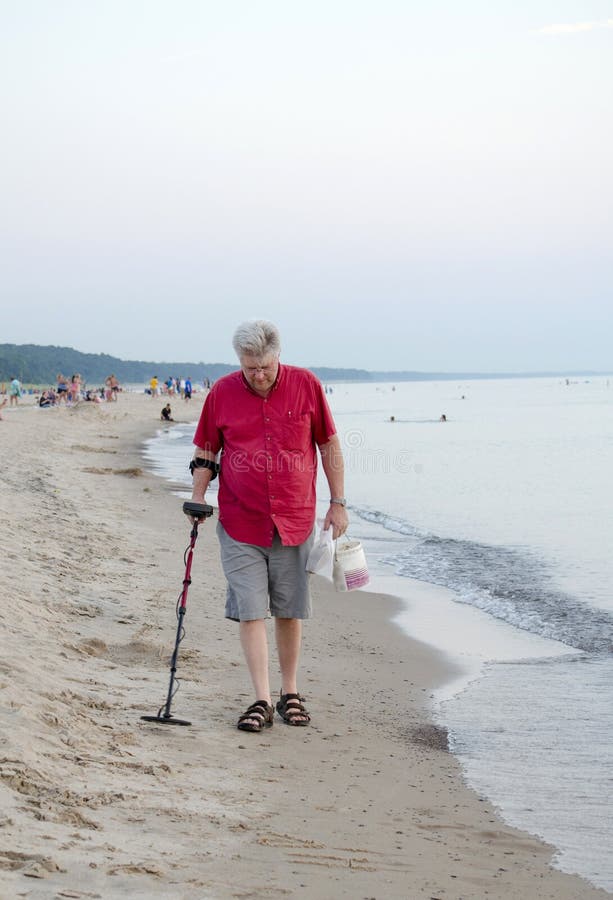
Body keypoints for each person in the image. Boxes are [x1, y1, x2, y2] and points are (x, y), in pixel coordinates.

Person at [190, 320, 348, 733]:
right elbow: (207, 448)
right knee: (250, 610)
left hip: (294, 519)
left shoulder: (306, 385)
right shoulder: (222, 392)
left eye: (264, 367)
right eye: (250, 368)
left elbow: (328, 444)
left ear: (277, 356)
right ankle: (261, 698)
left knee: (289, 610)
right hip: (241, 519)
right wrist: (199, 496)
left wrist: (338, 503)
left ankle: (289, 692)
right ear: (239, 362)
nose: (258, 375)